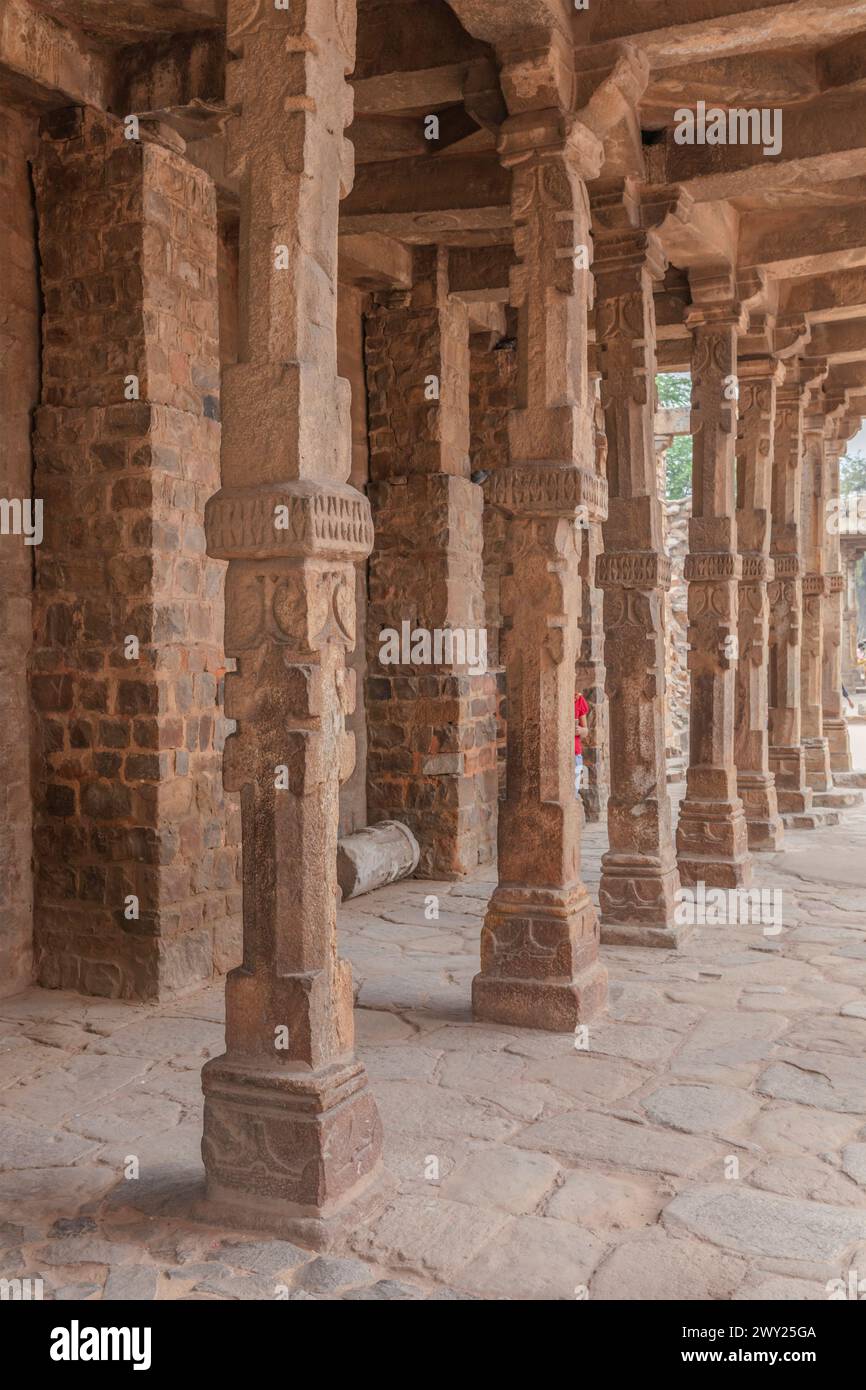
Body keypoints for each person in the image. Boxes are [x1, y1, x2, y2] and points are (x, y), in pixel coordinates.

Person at [574, 690, 589, 797]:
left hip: (575, 754)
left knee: (573, 794)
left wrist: (580, 730)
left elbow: (586, 731)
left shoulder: (578, 699)